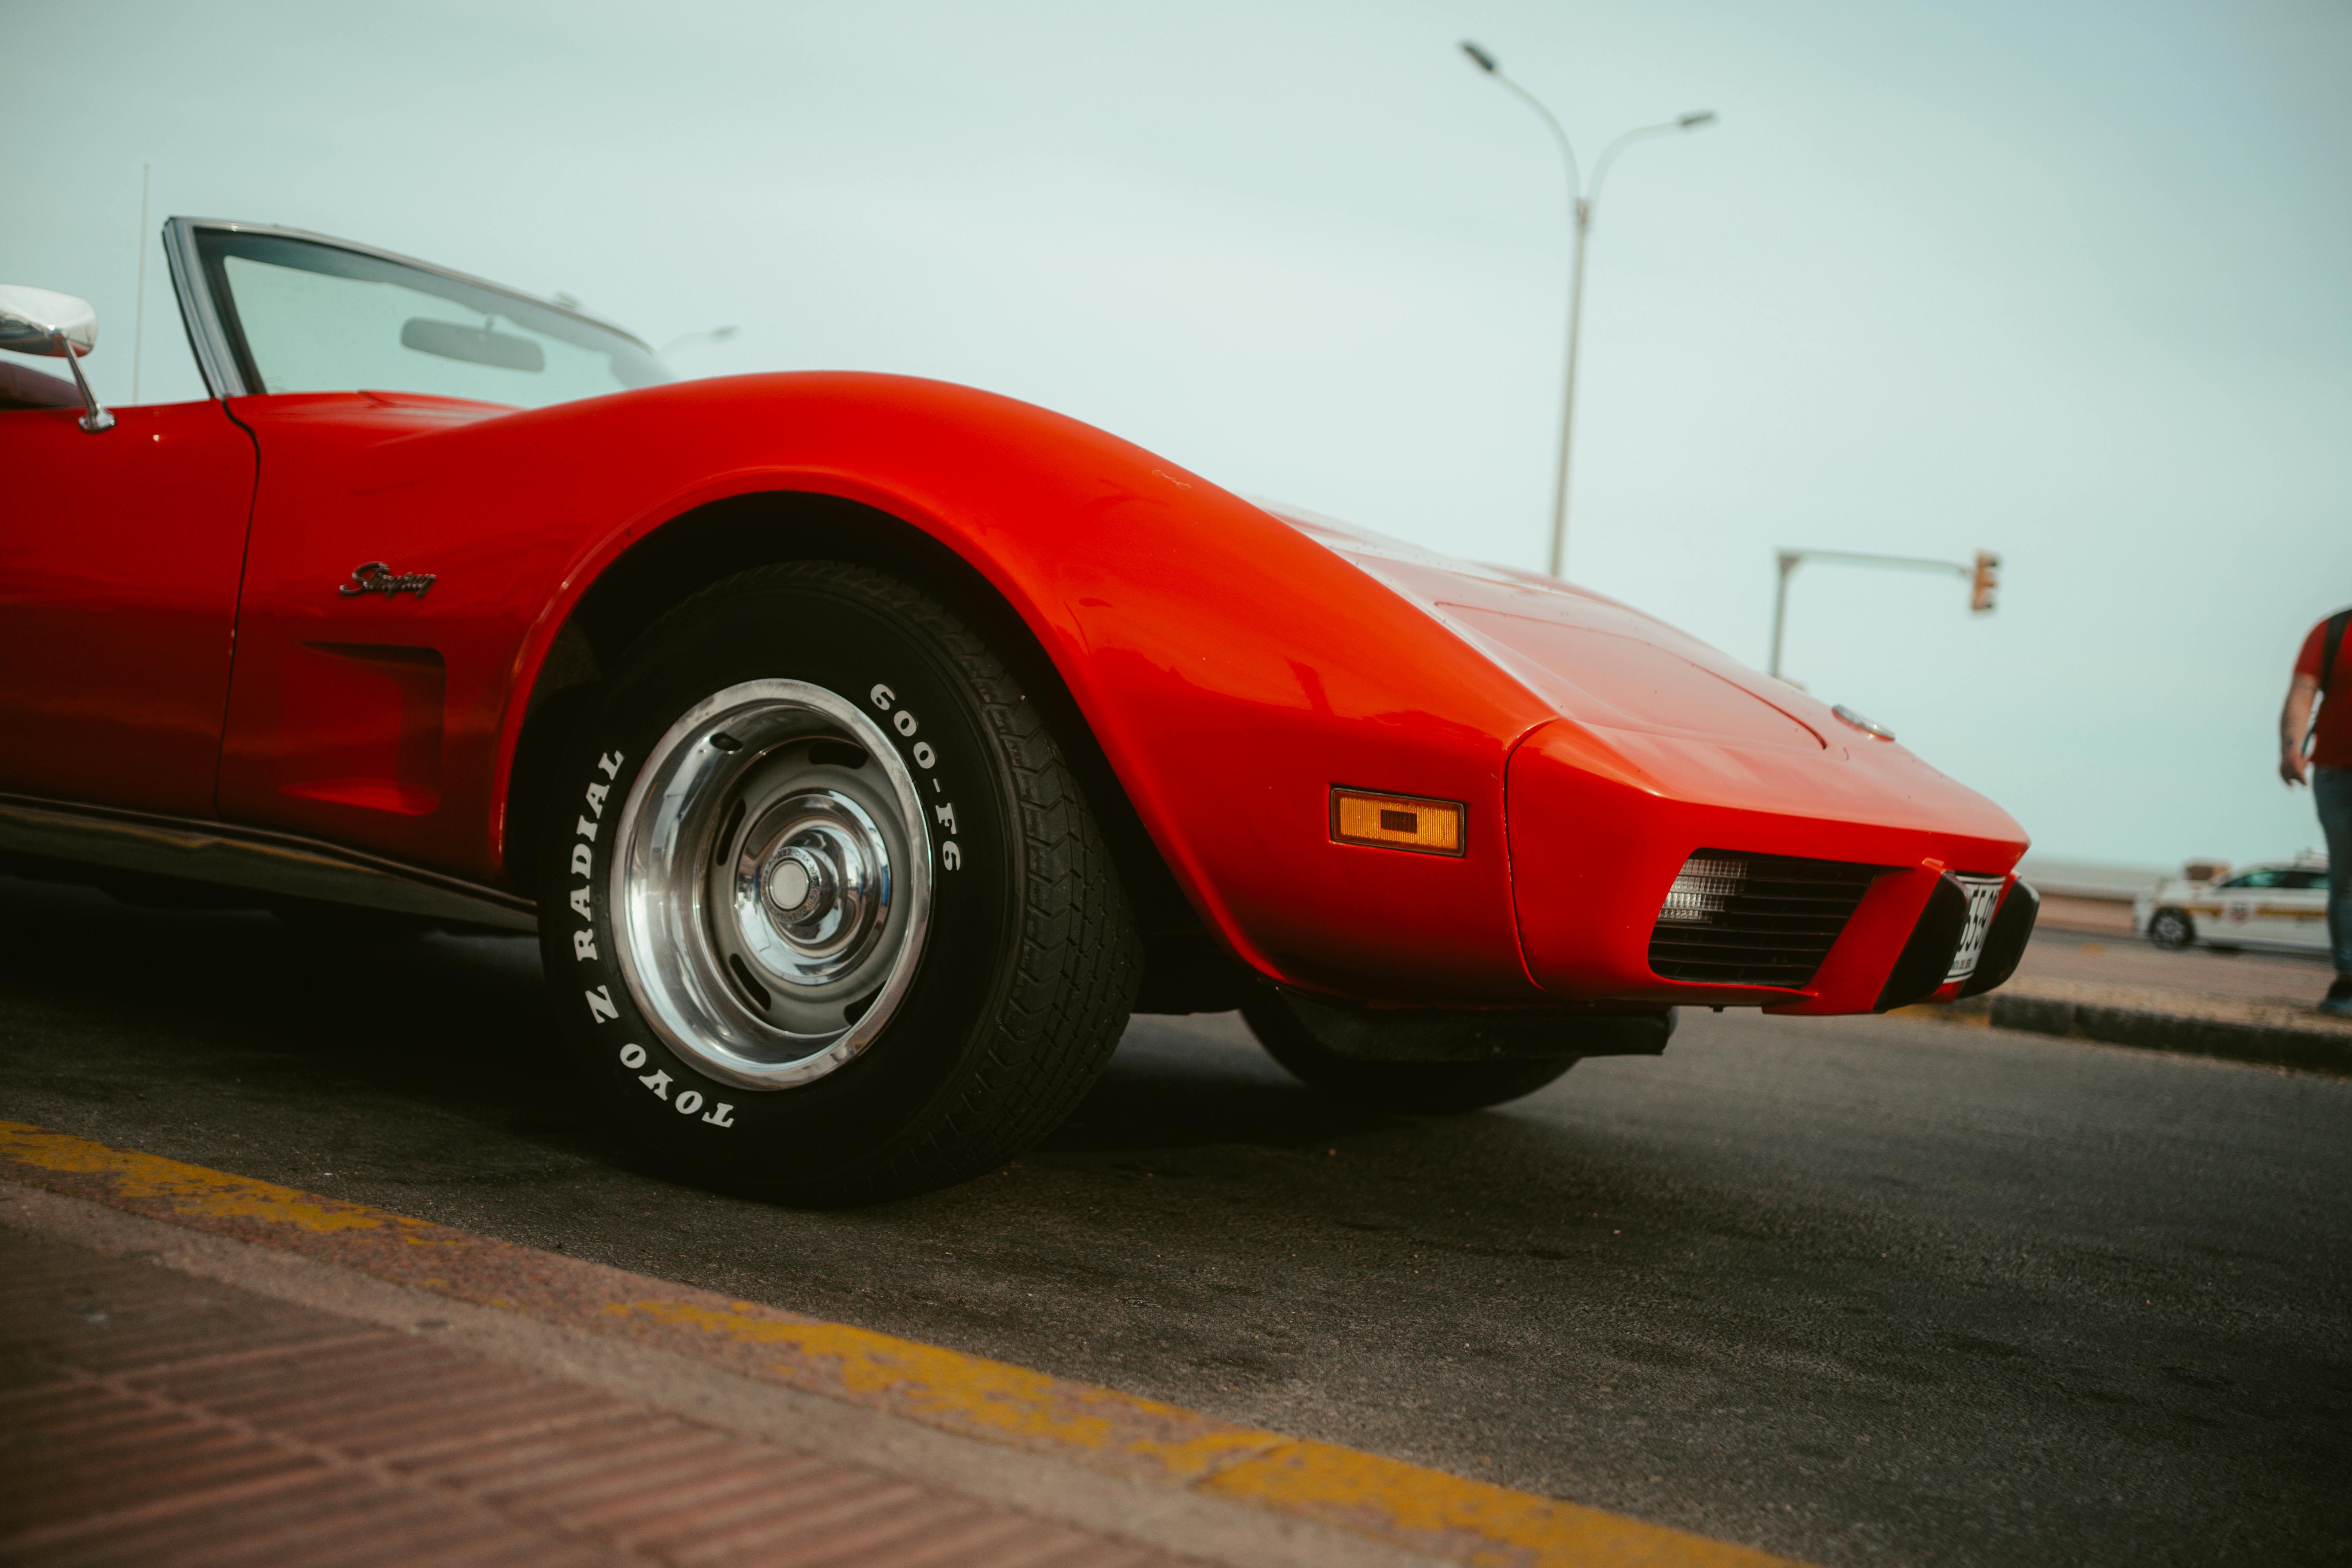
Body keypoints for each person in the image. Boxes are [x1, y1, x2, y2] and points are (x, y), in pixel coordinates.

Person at [2280, 606, 2352, 1017]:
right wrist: (2291, 748)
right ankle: (2348, 981)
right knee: (2345, 880)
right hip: (2336, 774)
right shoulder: (2333, 631)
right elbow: (2303, 690)